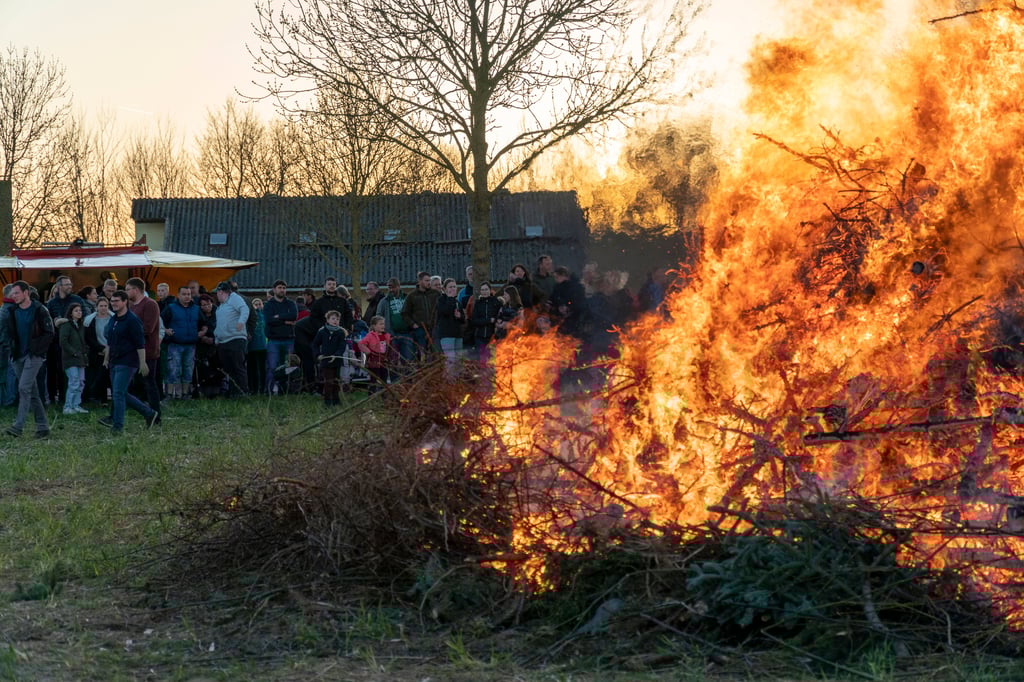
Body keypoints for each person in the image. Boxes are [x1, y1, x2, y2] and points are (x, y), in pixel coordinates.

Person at [99, 291, 159, 435]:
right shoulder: (114, 319)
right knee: (120, 392)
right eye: (112, 301)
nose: (113, 303)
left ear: (125, 301)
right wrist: (106, 358)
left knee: (118, 393)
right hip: (115, 359)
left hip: (128, 361)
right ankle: (149, 413)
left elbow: (140, 343)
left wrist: (143, 362)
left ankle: (117, 426)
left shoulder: (132, 320)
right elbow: (110, 341)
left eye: (116, 301)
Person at [5, 281, 54, 438]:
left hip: (34, 356)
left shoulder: (40, 309)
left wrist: (37, 352)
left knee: (23, 388)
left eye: (16, 293)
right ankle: (43, 427)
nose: (14, 296)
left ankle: (18, 426)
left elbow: (49, 332)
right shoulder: (12, 311)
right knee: (32, 392)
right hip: (18, 356)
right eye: (12, 294)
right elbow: (9, 332)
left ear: (26, 292)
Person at [125, 277, 162, 417]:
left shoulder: (150, 304)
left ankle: (156, 415)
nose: (126, 292)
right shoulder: (132, 306)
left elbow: (148, 328)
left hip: (148, 351)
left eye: (128, 289)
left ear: (136, 289)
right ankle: (144, 411)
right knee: (133, 384)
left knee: (149, 384)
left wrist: (128, 333)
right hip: (134, 350)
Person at [46, 275, 85, 405]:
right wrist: (55, 321)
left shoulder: (77, 299)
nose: (70, 286)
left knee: (69, 371)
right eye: (67, 284)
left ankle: (66, 399)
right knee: (53, 370)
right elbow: (46, 322)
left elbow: (83, 315)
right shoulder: (51, 303)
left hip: (72, 342)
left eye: (70, 284)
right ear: (59, 287)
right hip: (55, 342)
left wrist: (67, 320)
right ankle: (52, 397)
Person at [161, 285, 200, 400]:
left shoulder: (196, 309)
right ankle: (169, 395)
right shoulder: (171, 308)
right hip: (174, 344)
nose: (187, 296)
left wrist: (203, 331)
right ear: (178, 295)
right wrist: (165, 330)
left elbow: (204, 322)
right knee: (173, 369)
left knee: (188, 370)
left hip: (191, 345)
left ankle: (185, 395)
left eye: (188, 294)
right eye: (184, 294)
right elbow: (159, 321)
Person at [213, 281, 250, 396]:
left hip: (235, 338)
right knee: (229, 368)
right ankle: (234, 391)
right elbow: (220, 324)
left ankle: (243, 391)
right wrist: (217, 339)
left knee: (238, 366)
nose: (217, 295)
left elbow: (245, 309)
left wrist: (241, 322)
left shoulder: (234, 298)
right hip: (224, 341)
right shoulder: (221, 307)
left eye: (218, 293)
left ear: (222, 292)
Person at [263, 279, 298, 394]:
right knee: (272, 367)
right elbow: (269, 320)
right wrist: (285, 321)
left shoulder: (291, 303)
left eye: (284, 288)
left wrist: (278, 317)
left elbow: (293, 316)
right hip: (274, 340)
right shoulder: (268, 305)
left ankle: (285, 391)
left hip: (289, 339)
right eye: (279, 287)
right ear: (274, 290)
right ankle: (269, 391)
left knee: (288, 367)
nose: (282, 290)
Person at [313, 310, 349, 407]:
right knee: (329, 381)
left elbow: (342, 346)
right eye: (333, 318)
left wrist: (336, 355)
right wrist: (318, 355)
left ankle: (336, 400)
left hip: (337, 360)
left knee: (336, 381)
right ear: (328, 320)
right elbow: (315, 344)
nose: (335, 321)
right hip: (326, 360)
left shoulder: (341, 332)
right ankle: (327, 401)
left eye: (337, 319)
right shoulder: (322, 332)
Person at [59, 302, 89, 415]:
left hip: (80, 358)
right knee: (74, 381)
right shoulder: (66, 325)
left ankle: (76, 405)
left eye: (80, 310)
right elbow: (63, 341)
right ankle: (67, 406)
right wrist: (74, 352)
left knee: (81, 382)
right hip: (70, 358)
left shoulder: (80, 326)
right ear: (71, 313)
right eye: (76, 310)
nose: (79, 312)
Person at [401, 271, 440, 359]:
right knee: (421, 354)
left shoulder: (435, 294)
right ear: (420, 281)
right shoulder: (412, 296)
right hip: (420, 330)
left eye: (429, 280)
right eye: (426, 280)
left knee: (435, 353)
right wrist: (413, 324)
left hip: (434, 329)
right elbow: (404, 313)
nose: (428, 283)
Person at [375, 277, 412, 362]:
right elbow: (378, 316)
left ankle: (408, 375)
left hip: (407, 333)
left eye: (393, 287)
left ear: (399, 286)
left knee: (408, 359)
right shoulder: (384, 301)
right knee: (392, 360)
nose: (391, 290)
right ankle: (394, 376)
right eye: (389, 287)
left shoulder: (407, 298)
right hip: (391, 335)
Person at [84, 297, 112, 403]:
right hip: (98, 352)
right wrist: (101, 349)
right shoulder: (90, 320)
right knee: (100, 376)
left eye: (105, 306)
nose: (103, 308)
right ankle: (102, 398)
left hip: (112, 351)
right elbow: (89, 338)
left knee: (110, 375)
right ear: (97, 307)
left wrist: (109, 349)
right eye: (101, 306)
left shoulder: (113, 318)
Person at [435, 278, 465, 379]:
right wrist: (450, 298)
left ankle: (457, 381)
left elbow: (463, 319)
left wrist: (460, 316)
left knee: (458, 360)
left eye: (454, 286)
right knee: (450, 358)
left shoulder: (458, 302)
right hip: (446, 334)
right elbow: (445, 311)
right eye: (450, 287)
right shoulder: (441, 300)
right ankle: (449, 381)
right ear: (445, 289)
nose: (452, 289)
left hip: (457, 334)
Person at [469, 282, 502, 364]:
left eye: (486, 289)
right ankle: (484, 376)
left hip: (492, 336)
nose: (484, 292)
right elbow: (474, 320)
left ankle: (491, 376)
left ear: (490, 290)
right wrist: (488, 320)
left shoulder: (495, 302)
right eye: (482, 290)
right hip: (480, 337)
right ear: (480, 291)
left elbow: (499, 316)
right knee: (483, 361)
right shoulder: (478, 303)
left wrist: (495, 321)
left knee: (492, 361)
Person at [358, 315, 392, 394]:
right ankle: (372, 394)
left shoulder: (387, 335)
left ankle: (384, 395)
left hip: (384, 361)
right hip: (373, 361)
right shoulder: (370, 335)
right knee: (373, 379)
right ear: (374, 326)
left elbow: (390, 347)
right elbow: (361, 344)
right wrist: (368, 352)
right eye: (380, 324)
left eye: (383, 324)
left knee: (384, 379)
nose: (383, 326)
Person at [247, 297, 268, 394]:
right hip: (252, 346)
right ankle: (253, 388)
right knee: (252, 368)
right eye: (255, 304)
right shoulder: (249, 316)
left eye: (259, 304)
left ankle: (263, 387)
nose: (258, 306)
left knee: (262, 368)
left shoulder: (264, 316)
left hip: (262, 345)